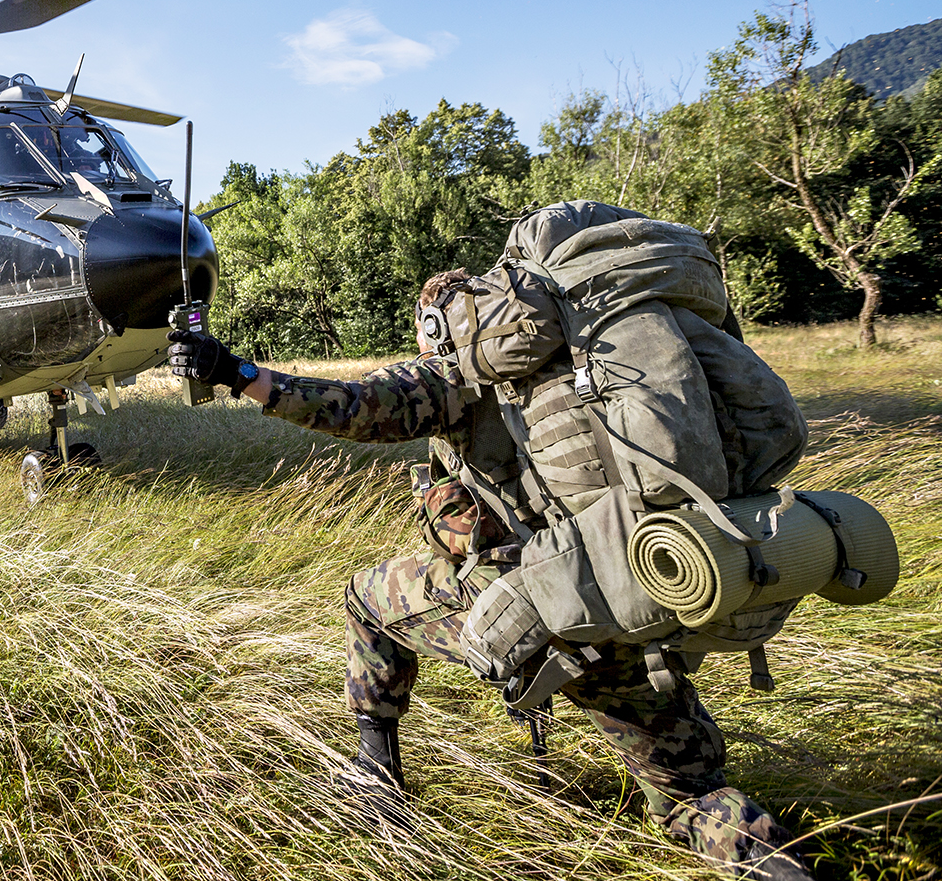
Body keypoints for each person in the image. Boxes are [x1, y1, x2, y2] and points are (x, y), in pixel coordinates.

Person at [166, 269, 813, 881]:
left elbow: (348, 405)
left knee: (367, 599)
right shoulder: (585, 378)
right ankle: (775, 863)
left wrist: (233, 370)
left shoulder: (453, 378)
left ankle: (375, 776)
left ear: (437, 326)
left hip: (531, 608)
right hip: (638, 595)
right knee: (689, 798)